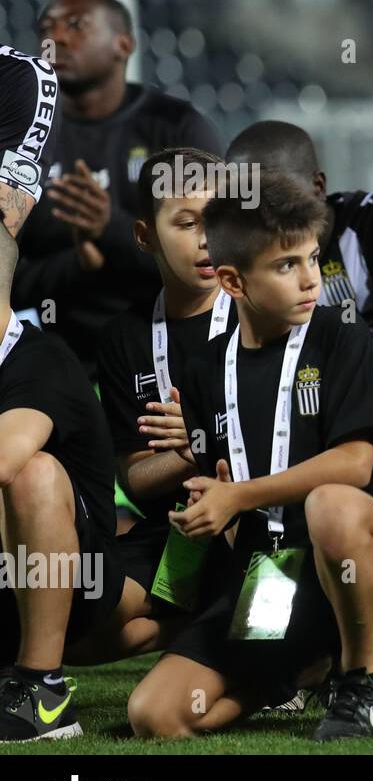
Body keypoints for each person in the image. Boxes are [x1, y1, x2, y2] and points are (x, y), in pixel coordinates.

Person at [125, 172, 373, 741]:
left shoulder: (340, 336)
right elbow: (223, 479)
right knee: (156, 715)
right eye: (286, 265)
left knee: (330, 507)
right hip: (272, 571)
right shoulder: (202, 370)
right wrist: (206, 505)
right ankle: (290, 674)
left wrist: (238, 495)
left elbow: (355, 465)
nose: (311, 279)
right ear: (232, 281)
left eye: (313, 258)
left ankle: (364, 679)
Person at [223, 121, 373, 658]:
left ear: (317, 185)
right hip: (295, 439)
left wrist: (338, 403)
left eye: (278, 193)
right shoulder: (237, 263)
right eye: (250, 199)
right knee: (236, 666)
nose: (266, 212)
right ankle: (277, 626)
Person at [15, 0, 224, 377]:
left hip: (175, 356)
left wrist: (109, 230)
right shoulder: (23, 138)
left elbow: (220, 259)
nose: (54, 38)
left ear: (123, 45)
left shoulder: (175, 127)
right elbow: (9, 281)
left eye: (75, 25)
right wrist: (76, 264)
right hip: (59, 363)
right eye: (46, 28)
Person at [88, 148, 232, 663]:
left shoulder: (262, 313)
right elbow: (138, 479)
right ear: (145, 235)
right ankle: (205, 623)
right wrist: (214, 437)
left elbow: (284, 447)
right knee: (77, 627)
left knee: (271, 635)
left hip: (261, 519)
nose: (207, 240)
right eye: (188, 222)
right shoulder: (125, 339)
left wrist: (197, 435)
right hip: (172, 531)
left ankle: (252, 629)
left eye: (218, 219)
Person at [0, 221, 125, 740]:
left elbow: (3, 460)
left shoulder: (40, 357)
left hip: (76, 587)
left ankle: (43, 688)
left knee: (34, 473)